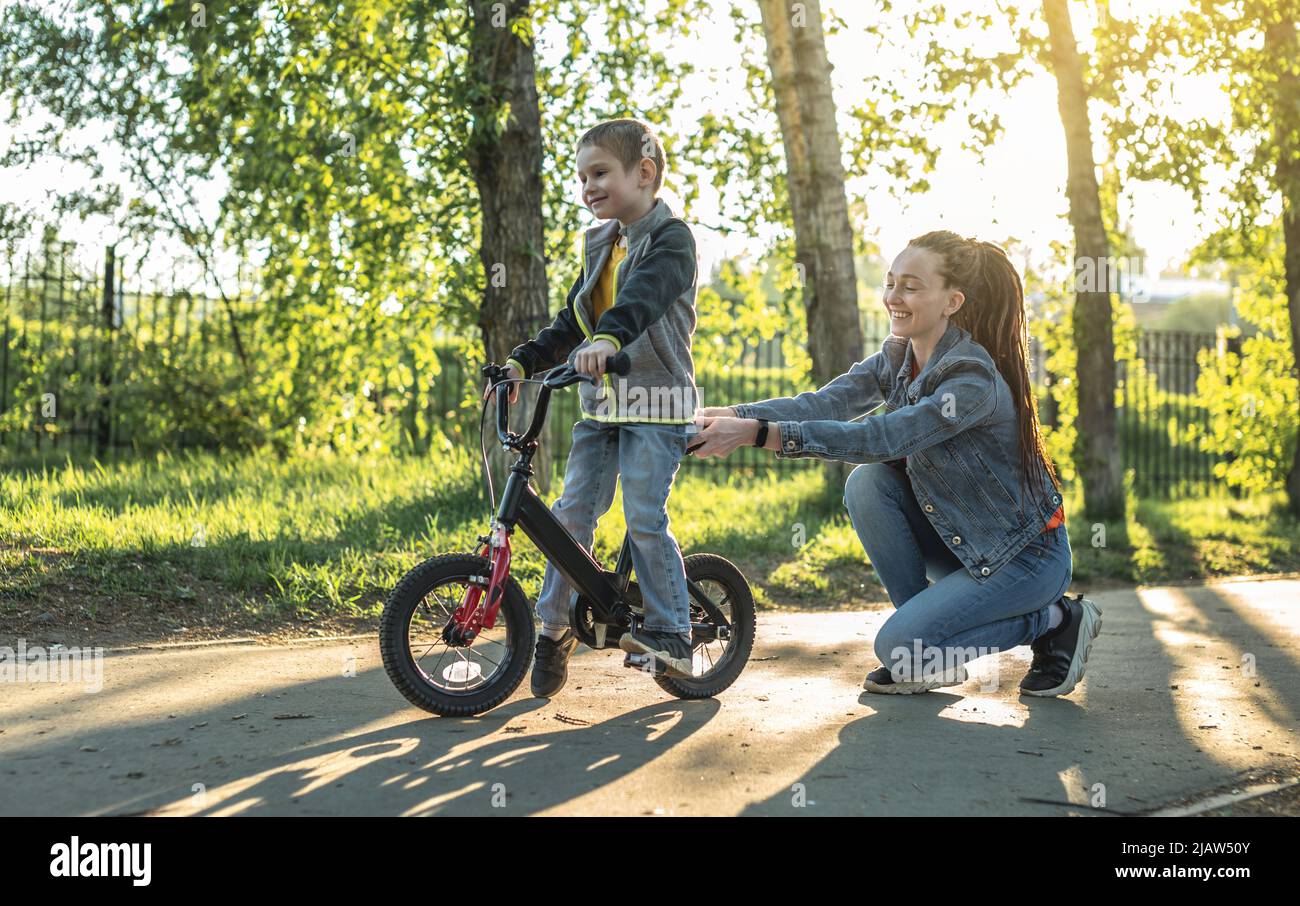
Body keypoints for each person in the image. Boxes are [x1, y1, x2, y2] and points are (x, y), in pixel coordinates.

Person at [691, 230, 1102, 697]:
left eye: (910, 286)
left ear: (952, 301)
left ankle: (1056, 619)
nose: (893, 297)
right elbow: (828, 404)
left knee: (898, 647)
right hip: (964, 545)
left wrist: (761, 435)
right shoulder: (899, 356)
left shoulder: (971, 379)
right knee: (868, 484)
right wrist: (735, 417)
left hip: (1025, 560)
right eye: (890, 282)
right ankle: (930, 655)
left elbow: (883, 436)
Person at [486, 118, 700, 696]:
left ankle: (674, 633)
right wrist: (524, 363)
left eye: (600, 173)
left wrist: (608, 340)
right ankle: (554, 629)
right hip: (603, 405)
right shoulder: (601, 243)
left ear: (645, 173)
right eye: (582, 177)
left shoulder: (671, 240)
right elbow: (572, 319)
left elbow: (643, 297)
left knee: (643, 516)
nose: (588, 187)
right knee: (570, 516)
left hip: (656, 405)